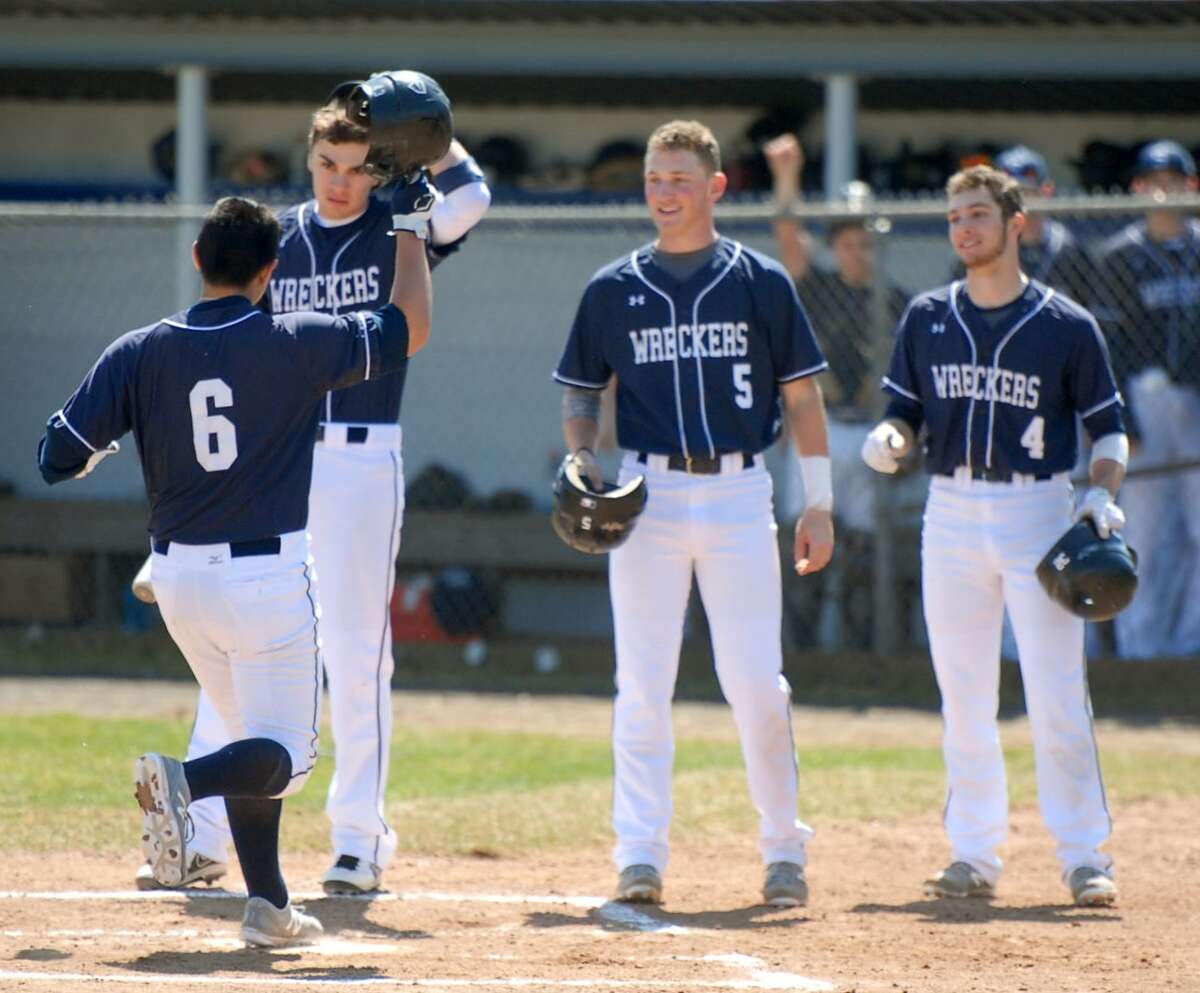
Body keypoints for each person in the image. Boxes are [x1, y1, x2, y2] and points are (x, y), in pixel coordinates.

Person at [38, 190, 434, 944]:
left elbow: (56, 457)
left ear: (197, 260)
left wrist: (119, 438)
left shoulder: (139, 348)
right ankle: (183, 780)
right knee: (285, 758)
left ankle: (270, 907)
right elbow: (406, 327)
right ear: (270, 271)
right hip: (265, 578)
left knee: (252, 739)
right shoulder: (296, 337)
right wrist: (411, 230)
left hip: (177, 579)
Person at [134, 97, 490, 895]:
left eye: (359, 163)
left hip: (362, 457)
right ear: (309, 162)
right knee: (236, 646)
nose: (340, 180)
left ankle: (359, 838)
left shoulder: (399, 222)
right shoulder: (278, 238)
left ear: (383, 164)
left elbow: (473, 199)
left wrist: (417, 122)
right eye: (327, 163)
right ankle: (200, 839)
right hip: (273, 458)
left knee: (359, 650)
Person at [554, 120, 834, 908]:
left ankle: (784, 847)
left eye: (680, 178)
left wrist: (821, 502)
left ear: (716, 187)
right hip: (647, 494)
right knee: (641, 682)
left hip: (742, 491)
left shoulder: (760, 280)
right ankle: (639, 854)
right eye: (654, 178)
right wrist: (583, 454)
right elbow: (582, 388)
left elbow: (803, 397)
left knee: (754, 680)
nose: (664, 192)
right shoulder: (613, 287)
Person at [862, 165, 1128, 907]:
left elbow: (1109, 427)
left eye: (978, 214)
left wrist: (1101, 496)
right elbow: (904, 410)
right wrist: (890, 436)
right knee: (964, 695)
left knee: (1055, 692)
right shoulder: (926, 315)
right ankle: (974, 853)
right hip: (949, 508)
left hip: (1038, 508)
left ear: (1017, 224)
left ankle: (1084, 856)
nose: (965, 228)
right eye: (955, 218)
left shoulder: (1066, 324)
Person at [764, 133, 910, 649]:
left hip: (868, 433)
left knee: (865, 557)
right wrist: (787, 177)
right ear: (835, 247)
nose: (858, 251)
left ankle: (862, 652)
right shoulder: (821, 288)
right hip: (817, 433)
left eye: (867, 241)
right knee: (802, 550)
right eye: (848, 241)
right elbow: (788, 239)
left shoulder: (896, 300)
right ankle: (797, 654)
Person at [1094, 140, 1200, 660]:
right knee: (1150, 534)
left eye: (1174, 178)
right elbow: (1110, 347)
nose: (1163, 187)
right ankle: (1143, 650)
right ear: (1136, 188)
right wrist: (1124, 418)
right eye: (1153, 178)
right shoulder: (1121, 255)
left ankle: (1189, 645)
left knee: (1197, 533)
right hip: (1145, 399)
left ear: (1191, 186)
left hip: (1196, 401)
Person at [952, 145, 1102, 311]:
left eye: (1027, 191)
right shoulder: (984, 247)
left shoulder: (1068, 248)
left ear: (1046, 190)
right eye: (1011, 194)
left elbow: (1088, 307)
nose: (1019, 201)